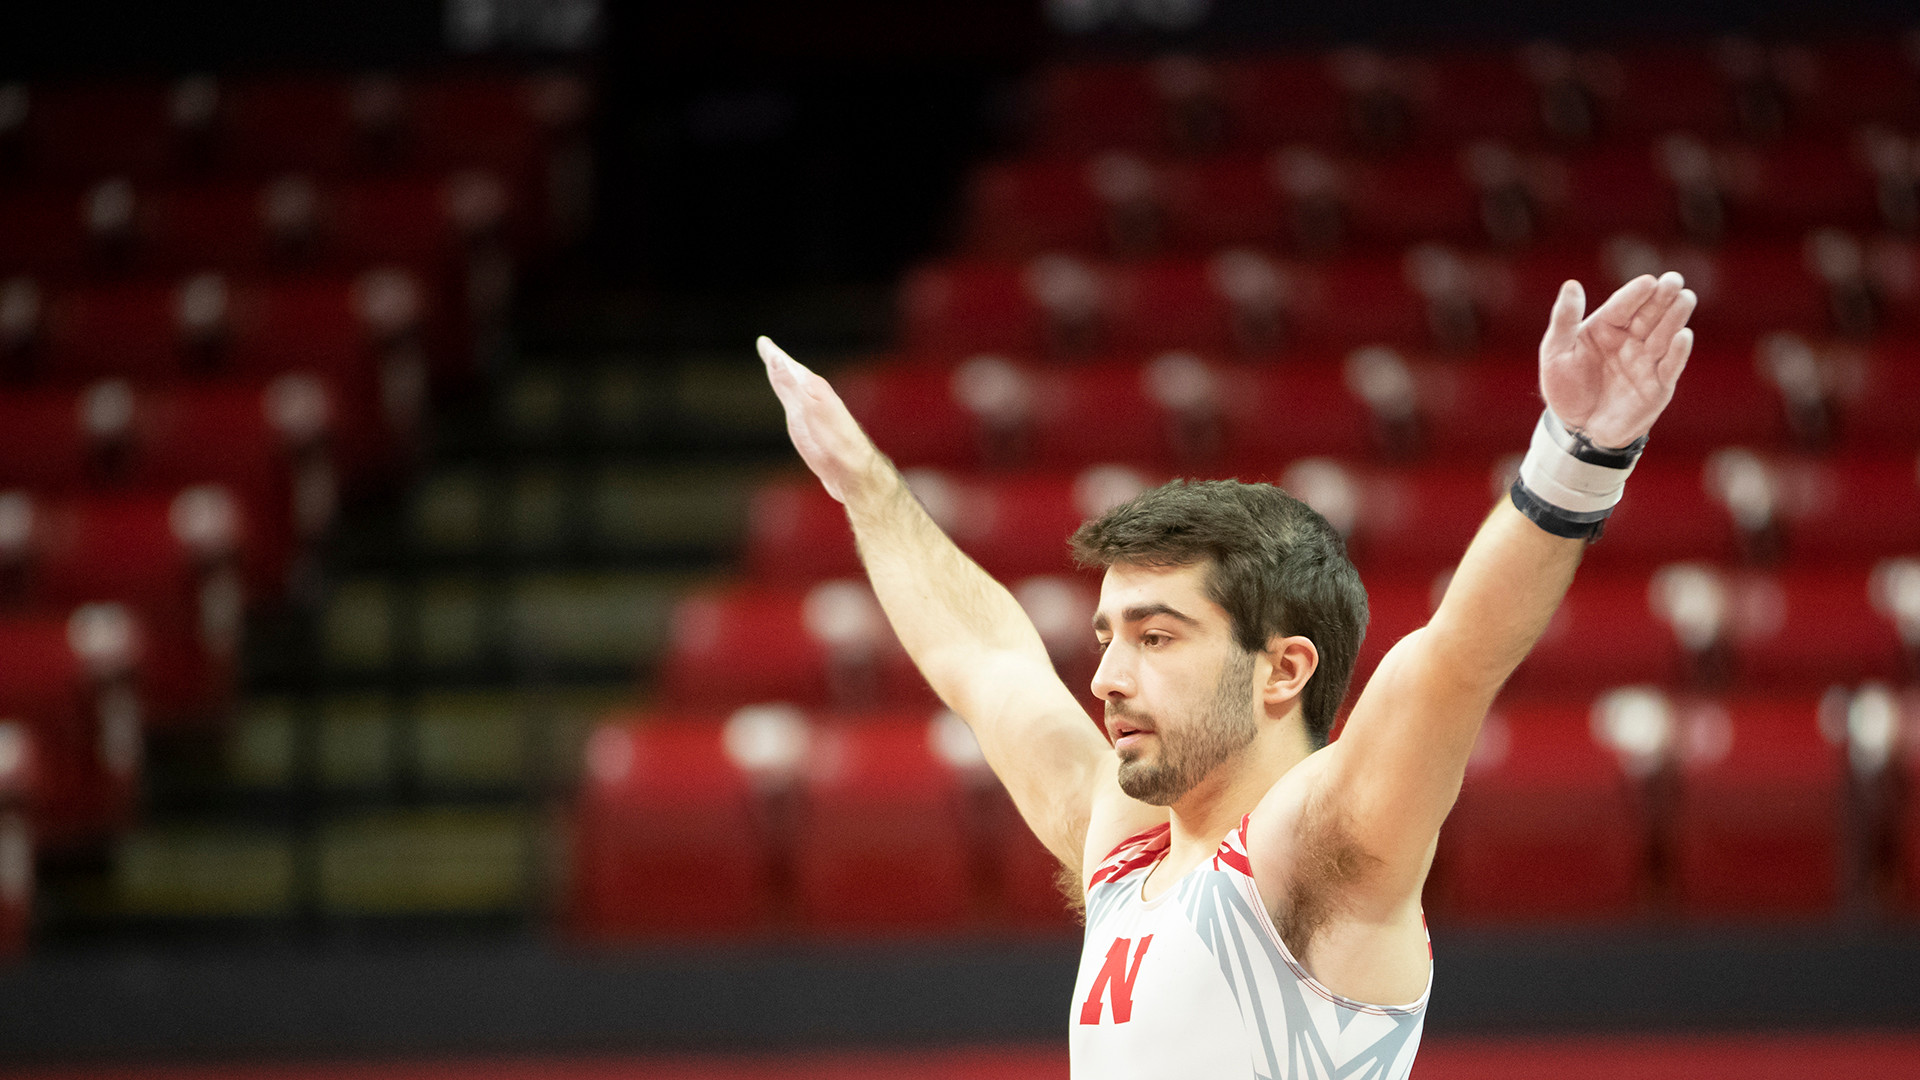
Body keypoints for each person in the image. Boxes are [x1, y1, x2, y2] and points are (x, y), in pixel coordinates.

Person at [757, 270, 1696, 1080]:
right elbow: (986, 659)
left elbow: (1457, 657)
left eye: (1157, 638)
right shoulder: (1123, 847)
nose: (1108, 678)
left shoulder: (1318, 849)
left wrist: (1578, 458)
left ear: (1283, 669)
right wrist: (867, 488)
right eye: (1106, 637)